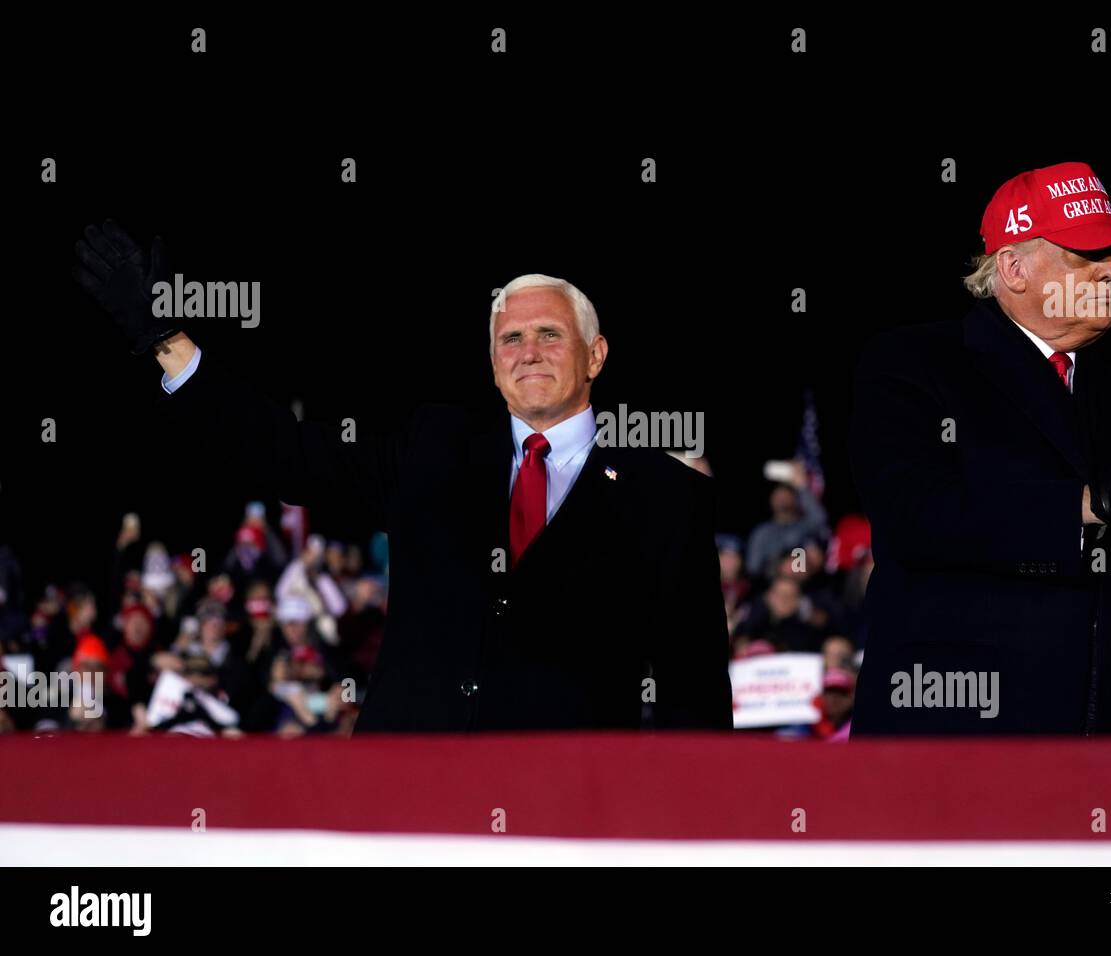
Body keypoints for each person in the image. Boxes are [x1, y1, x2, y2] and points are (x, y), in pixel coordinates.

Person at [74, 226, 733, 732]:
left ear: (595, 355)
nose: (527, 351)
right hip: (407, 798)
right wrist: (167, 342)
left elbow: (695, 694)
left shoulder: (666, 498)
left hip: (566, 814)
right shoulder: (433, 452)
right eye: (509, 339)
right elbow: (289, 454)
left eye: (549, 334)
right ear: (492, 362)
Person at [848, 162, 1111, 735]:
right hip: (961, 729)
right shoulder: (915, 364)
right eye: (1085, 256)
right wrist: (1088, 504)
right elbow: (915, 514)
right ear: (1013, 267)